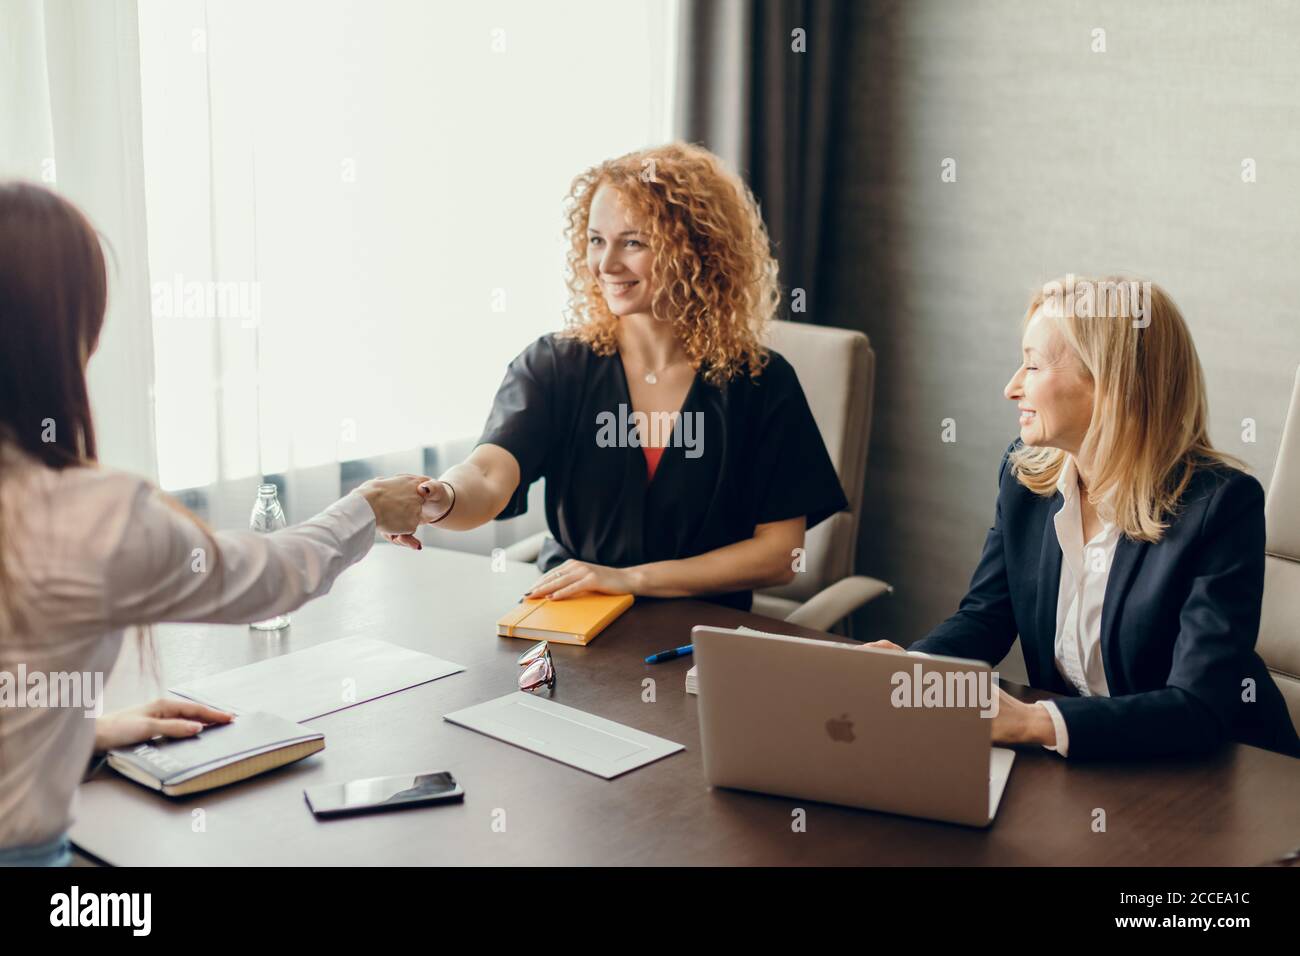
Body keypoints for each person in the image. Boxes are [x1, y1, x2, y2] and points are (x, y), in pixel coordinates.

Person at [0, 181, 442, 865]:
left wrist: (80, 731)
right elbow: (267, 577)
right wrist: (366, 508)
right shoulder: (92, 517)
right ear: (62, 334)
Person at [387, 142, 848, 612]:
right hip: (572, 619)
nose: (606, 265)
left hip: (701, 637)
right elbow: (487, 474)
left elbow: (779, 556)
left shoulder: (762, 383)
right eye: (595, 240)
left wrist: (629, 579)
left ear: (696, 249)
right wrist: (440, 497)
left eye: (633, 242)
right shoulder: (554, 365)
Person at [868, 276, 1300, 759]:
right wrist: (914, 672)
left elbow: (1198, 708)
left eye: (1032, 364)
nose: (1012, 386)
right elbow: (986, 617)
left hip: (1230, 779)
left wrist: (1033, 721)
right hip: (1094, 765)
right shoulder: (1026, 479)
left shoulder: (1220, 507)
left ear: (1111, 384)